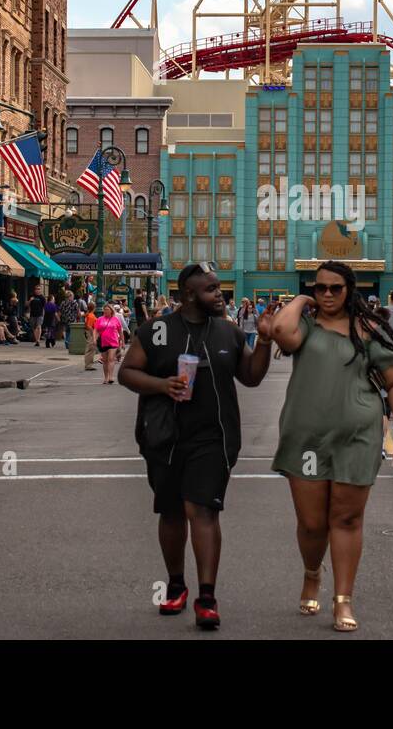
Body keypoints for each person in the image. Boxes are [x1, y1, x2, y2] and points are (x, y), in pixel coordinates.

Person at [117, 262, 275, 629]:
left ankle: (207, 597)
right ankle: (176, 586)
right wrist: (163, 385)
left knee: (203, 509)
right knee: (171, 511)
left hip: (214, 437)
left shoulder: (229, 333)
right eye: (212, 289)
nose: (220, 294)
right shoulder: (156, 330)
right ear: (188, 294)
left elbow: (251, 377)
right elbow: (126, 372)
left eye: (219, 288)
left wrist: (264, 341)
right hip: (165, 437)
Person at [269, 261, 393, 633]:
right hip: (306, 440)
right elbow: (280, 332)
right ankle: (312, 573)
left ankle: (343, 599)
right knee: (312, 524)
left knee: (346, 520)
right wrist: (301, 298)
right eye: (320, 288)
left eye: (335, 288)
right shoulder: (305, 325)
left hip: (357, 437)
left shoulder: (366, 330)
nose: (327, 294)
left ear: (350, 290)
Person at [89, 305, 122, 383]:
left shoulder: (115, 319)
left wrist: (122, 342)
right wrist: (94, 339)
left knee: (111, 359)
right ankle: (106, 377)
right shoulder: (100, 319)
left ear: (111, 310)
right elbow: (96, 330)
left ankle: (111, 377)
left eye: (107, 309)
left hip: (113, 342)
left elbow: (120, 331)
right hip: (103, 342)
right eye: (105, 310)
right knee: (105, 360)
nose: (106, 311)